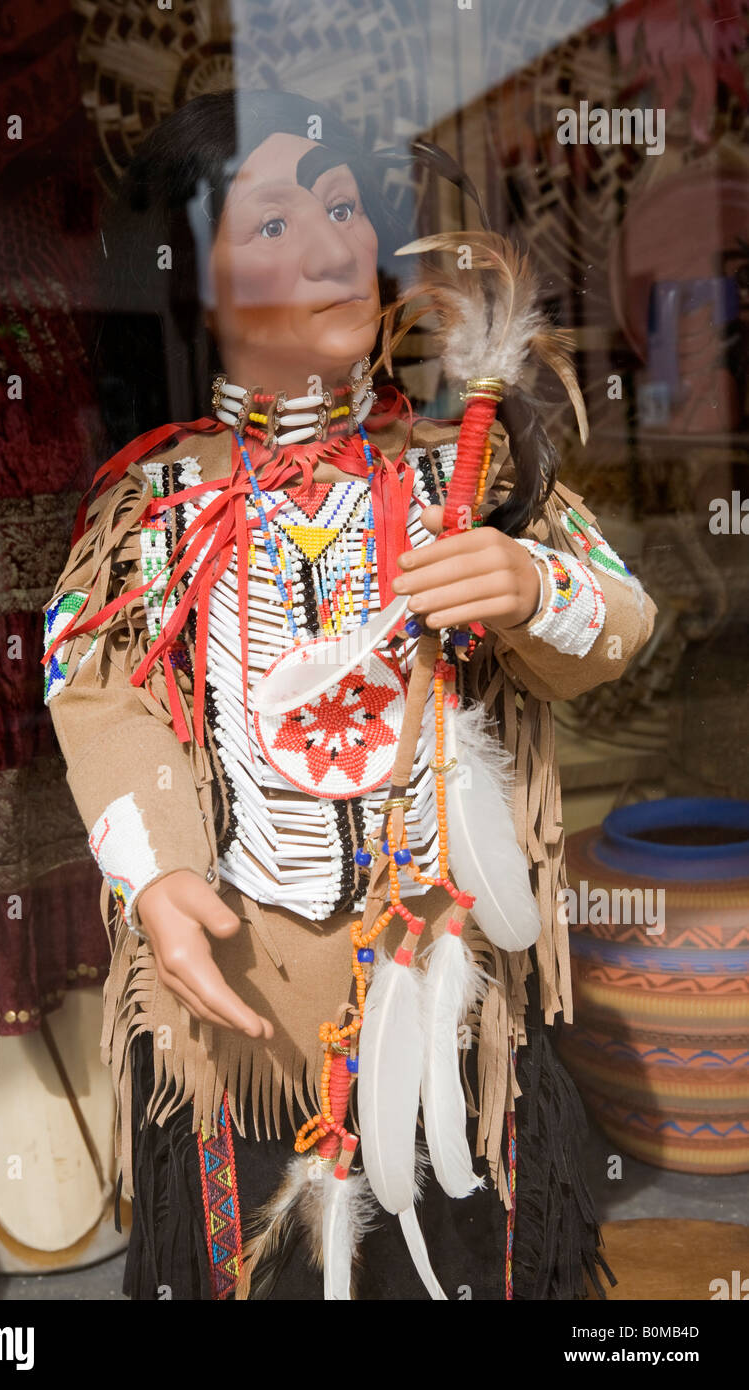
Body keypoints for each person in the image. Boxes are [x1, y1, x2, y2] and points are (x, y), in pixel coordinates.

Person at [42, 90, 657, 1300]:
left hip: (446, 987)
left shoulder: (460, 469)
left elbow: (620, 613)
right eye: (273, 224)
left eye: (341, 211)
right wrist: (157, 876)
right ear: (188, 281)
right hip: (245, 997)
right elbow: (94, 689)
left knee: (462, 1239)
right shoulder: (148, 507)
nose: (331, 248)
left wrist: (529, 582)